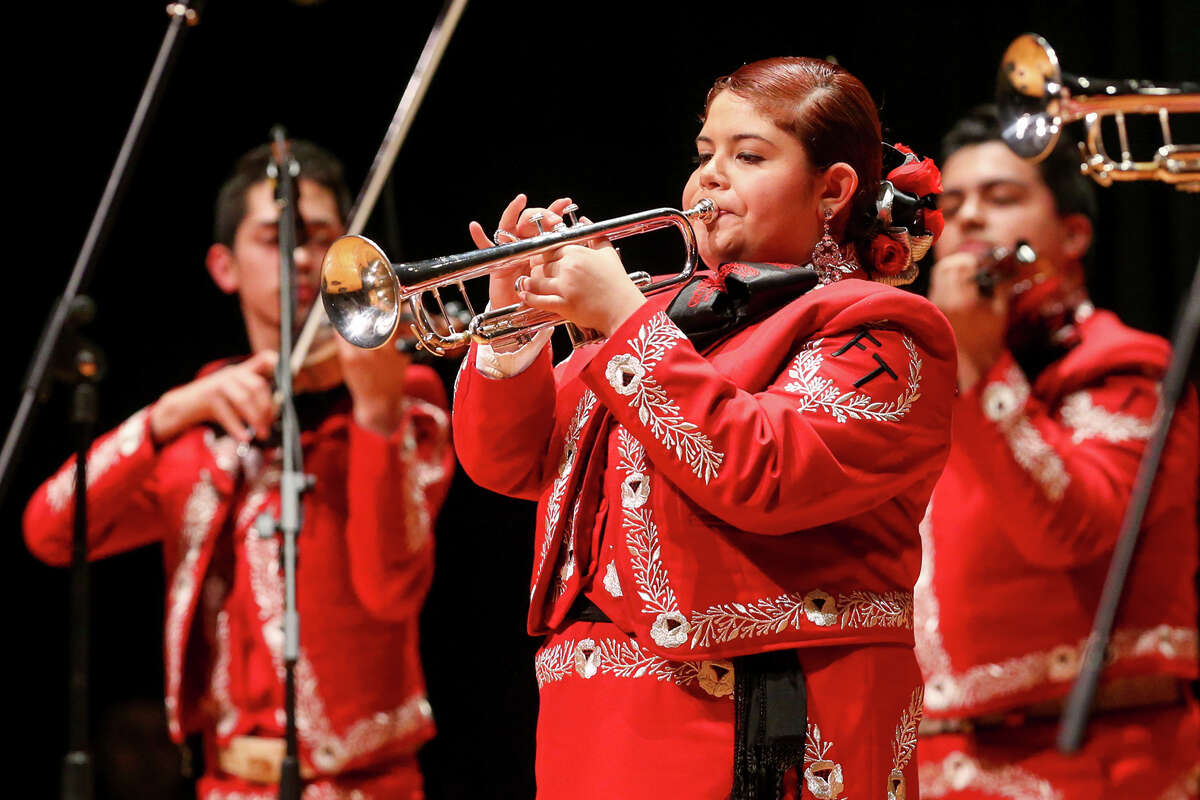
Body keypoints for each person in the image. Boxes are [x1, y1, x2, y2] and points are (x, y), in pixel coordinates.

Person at [452, 57, 957, 799]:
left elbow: (764, 472)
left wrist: (620, 319)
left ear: (834, 189)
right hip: (590, 730)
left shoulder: (883, 329)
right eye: (703, 155)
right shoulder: (661, 325)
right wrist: (512, 327)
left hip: (753, 729)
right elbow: (511, 463)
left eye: (747, 156)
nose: (709, 179)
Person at [25, 141, 454, 800]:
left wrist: (374, 409)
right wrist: (164, 415)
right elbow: (51, 529)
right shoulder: (203, 425)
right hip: (224, 786)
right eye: (273, 239)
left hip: (369, 787)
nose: (303, 258)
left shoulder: (408, 400)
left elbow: (390, 587)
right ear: (224, 267)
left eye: (320, 239)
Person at [915, 105, 1200, 799]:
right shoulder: (928, 373)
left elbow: (1072, 528)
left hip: (1101, 762)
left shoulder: (1129, 365)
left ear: (1073, 234)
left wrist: (981, 372)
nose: (971, 219)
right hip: (934, 765)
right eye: (950, 205)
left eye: (1001, 198)